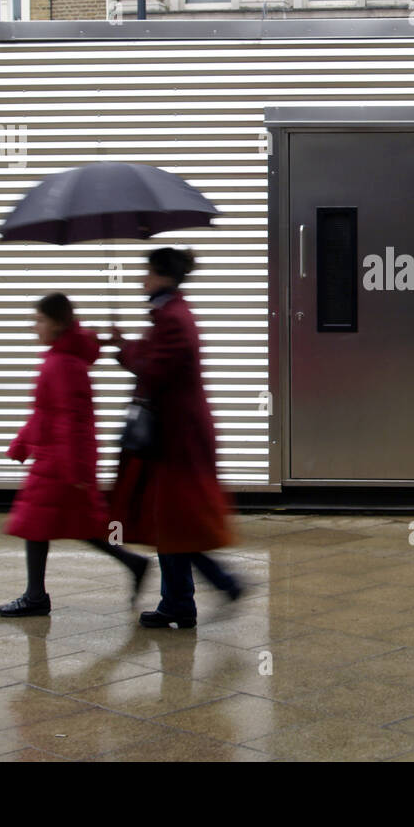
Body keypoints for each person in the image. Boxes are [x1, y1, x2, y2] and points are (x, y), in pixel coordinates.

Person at [106, 247, 241, 629]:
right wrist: (125, 346)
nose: (141, 280)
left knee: (175, 522)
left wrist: (124, 350)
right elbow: (151, 359)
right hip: (173, 437)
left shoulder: (173, 318)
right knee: (171, 521)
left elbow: (156, 368)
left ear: (163, 275)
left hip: (179, 440)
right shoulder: (168, 314)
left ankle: (211, 588)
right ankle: (182, 601)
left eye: (146, 273)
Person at [0, 293, 149, 617]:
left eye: (39, 320)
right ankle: (133, 563)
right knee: (80, 525)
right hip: (58, 461)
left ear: (56, 323)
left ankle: (35, 597)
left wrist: (77, 470)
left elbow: (72, 420)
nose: (34, 326)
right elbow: (46, 412)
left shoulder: (63, 364)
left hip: (60, 464)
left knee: (35, 524)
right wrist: (23, 443)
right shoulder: (62, 358)